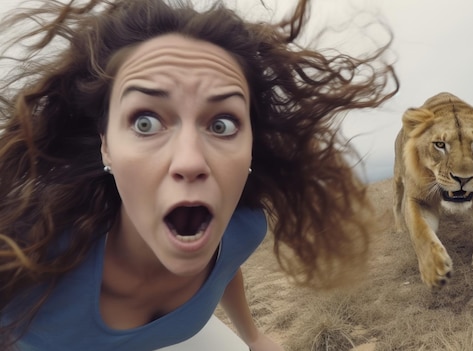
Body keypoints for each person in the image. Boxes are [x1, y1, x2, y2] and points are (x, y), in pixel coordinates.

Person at [0, 0, 399, 350]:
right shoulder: (25, 252)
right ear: (106, 144)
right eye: (145, 122)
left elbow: (224, 266)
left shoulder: (242, 227)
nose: (190, 161)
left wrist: (253, 337)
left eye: (222, 124)